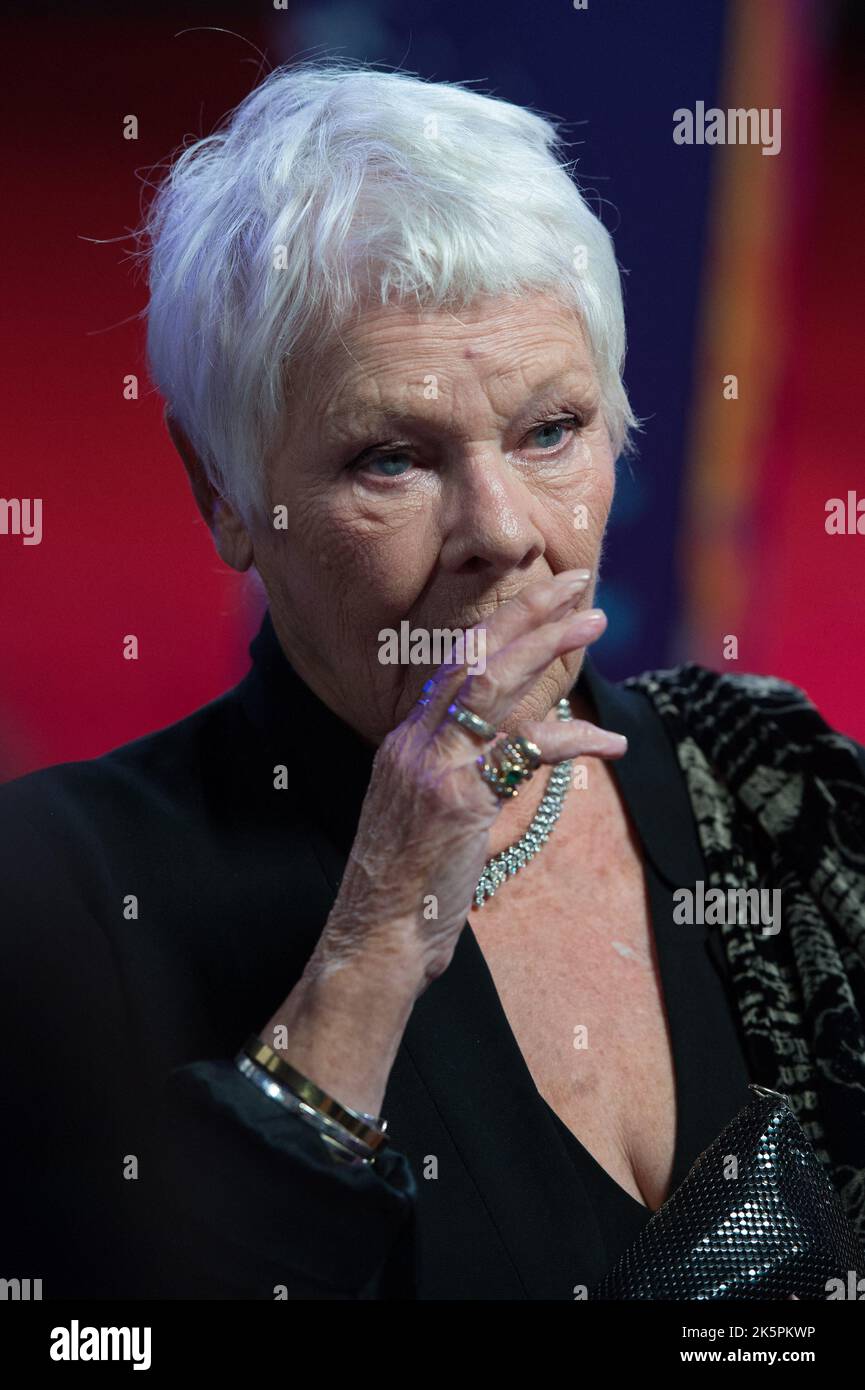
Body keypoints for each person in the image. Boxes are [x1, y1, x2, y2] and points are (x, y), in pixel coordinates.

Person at [2, 59, 864, 1301]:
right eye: (393, 458)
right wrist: (377, 937)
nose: (503, 530)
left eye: (550, 430)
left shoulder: (776, 786)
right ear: (223, 494)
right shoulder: (64, 893)